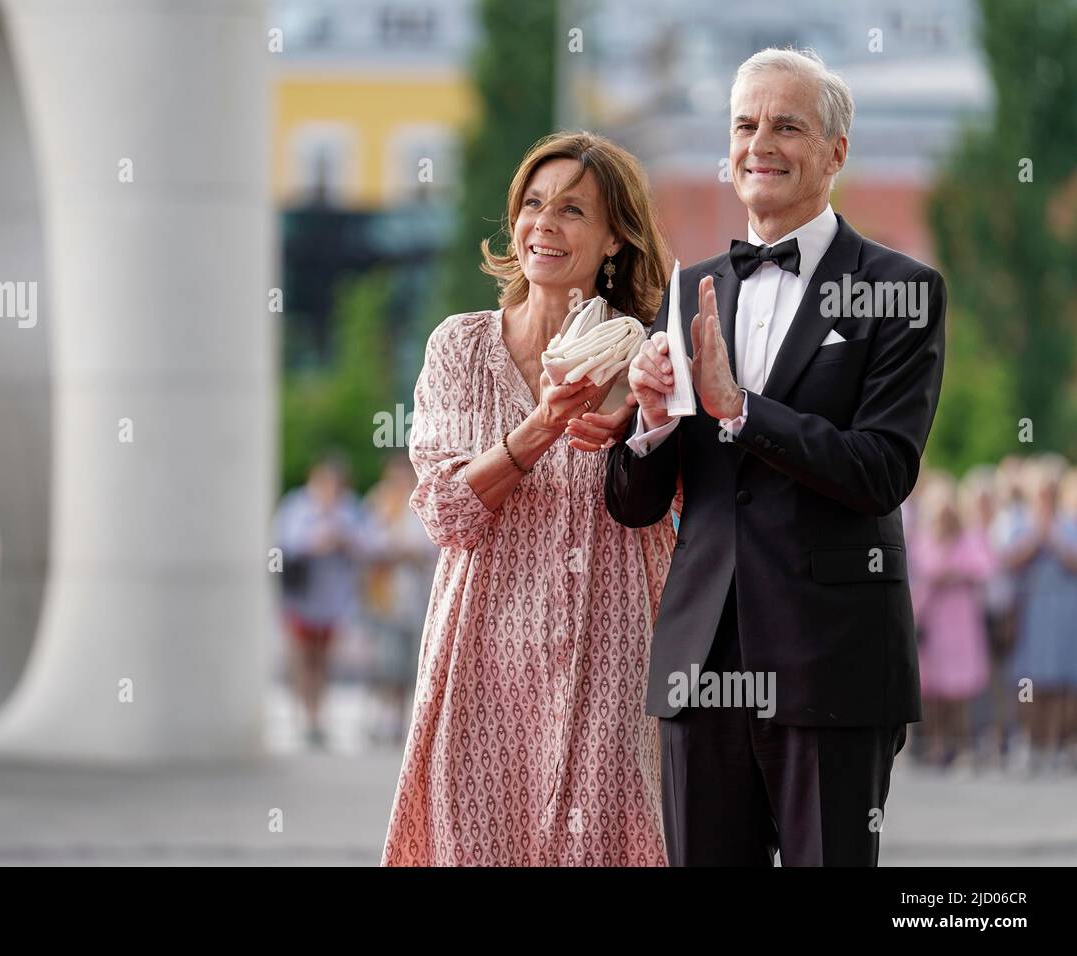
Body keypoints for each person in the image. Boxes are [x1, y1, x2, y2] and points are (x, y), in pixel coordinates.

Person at [604, 48, 946, 865]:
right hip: (701, 660)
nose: (761, 143)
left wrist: (743, 410)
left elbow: (881, 471)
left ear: (836, 151)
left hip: (833, 661)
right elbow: (635, 503)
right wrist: (649, 422)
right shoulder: (686, 291)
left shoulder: (902, 289)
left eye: (786, 125)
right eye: (746, 125)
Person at [382, 130, 675, 865]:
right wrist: (541, 425)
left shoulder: (649, 358)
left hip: (614, 653)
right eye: (533, 204)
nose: (545, 223)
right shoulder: (460, 347)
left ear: (615, 238)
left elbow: (688, 507)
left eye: (573, 211)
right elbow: (445, 513)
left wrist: (653, 419)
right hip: (482, 657)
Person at [273, 453, 368, 749]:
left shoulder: (348, 510)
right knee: (302, 658)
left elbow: (368, 544)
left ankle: (319, 716)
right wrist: (314, 542)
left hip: (332, 600)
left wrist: (342, 538)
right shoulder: (296, 507)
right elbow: (281, 544)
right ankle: (305, 715)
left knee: (323, 660)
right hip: (300, 598)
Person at [1000, 457, 1077, 774]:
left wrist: (1054, 536)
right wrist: (1037, 536)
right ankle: (1029, 742)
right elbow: (1010, 561)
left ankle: (1055, 744)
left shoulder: (1070, 524)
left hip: (1062, 611)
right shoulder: (1021, 522)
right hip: (1031, 611)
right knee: (1030, 681)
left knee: (1060, 679)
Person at [909, 479, 992, 769]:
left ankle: (962, 746)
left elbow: (983, 567)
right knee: (932, 692)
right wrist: (951, 571)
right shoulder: (924, 539)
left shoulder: (967, 538)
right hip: (932, 624)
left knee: (959, 691)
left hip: (960, 624)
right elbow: (927, 569)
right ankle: (936, 745)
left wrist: (952, 573)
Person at [360, 455, 438, 746]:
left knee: (410, 664)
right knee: (384, 661)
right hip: (385, 598)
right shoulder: (379, 504)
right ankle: (379, 717)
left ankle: (401, 719)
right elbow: (366, 542)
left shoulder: (422, 501)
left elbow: (432, 545)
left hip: (416, 597)